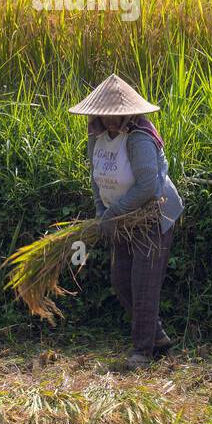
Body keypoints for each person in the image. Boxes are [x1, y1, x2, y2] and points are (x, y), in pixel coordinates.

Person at [69, 74, 183, 369]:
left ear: (128, 112)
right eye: (104, 115)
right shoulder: (96, 138)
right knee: (121, 281)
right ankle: (156, 336)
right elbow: (96, 180)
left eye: (116, 115)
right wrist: (100, 212)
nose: (110, 121)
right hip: (120, 219)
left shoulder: (139, 138)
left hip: (151, 217)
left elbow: (147, 186)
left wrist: (111, 214)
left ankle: (143, 352)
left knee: (143, 283)